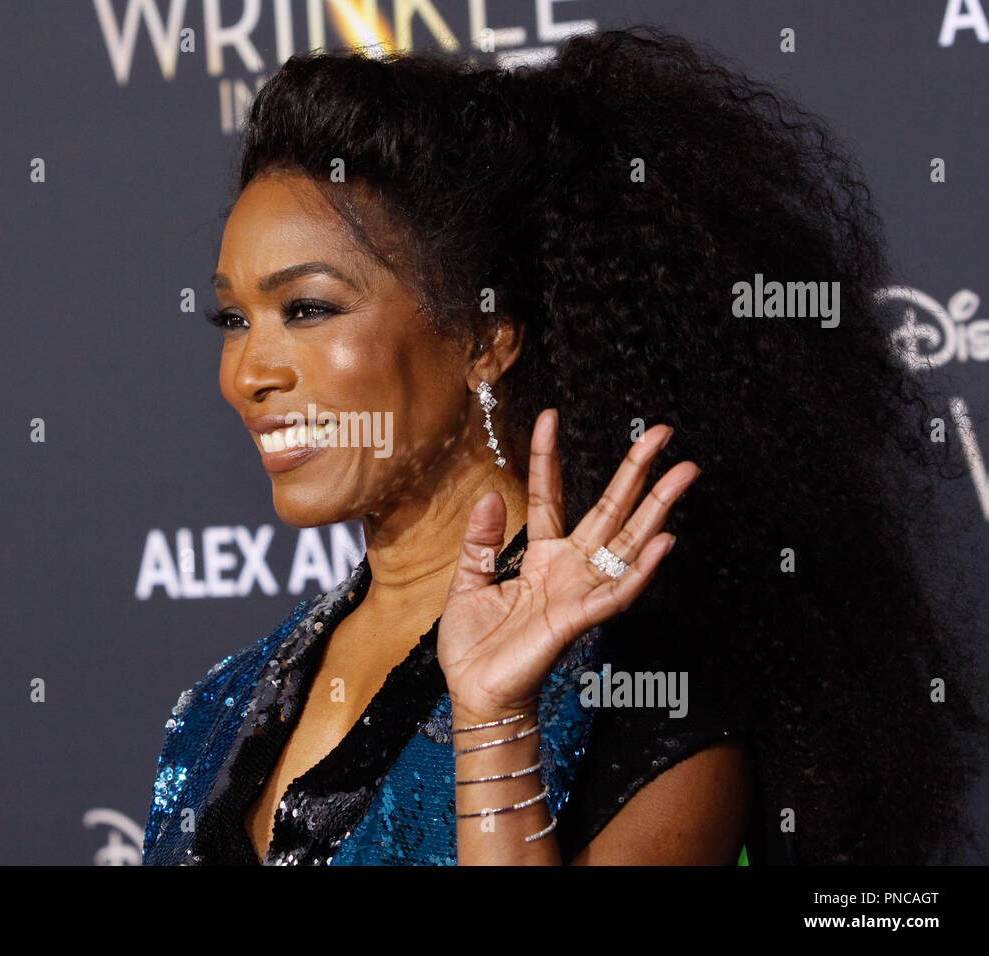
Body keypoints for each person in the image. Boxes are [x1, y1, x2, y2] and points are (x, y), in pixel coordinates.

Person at [143, 26, 979, 865]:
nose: (248, 371)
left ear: (483, 336)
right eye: (234, 320)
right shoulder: (216, 710)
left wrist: (495, 722)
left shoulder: (639, 695)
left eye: (309, 309)